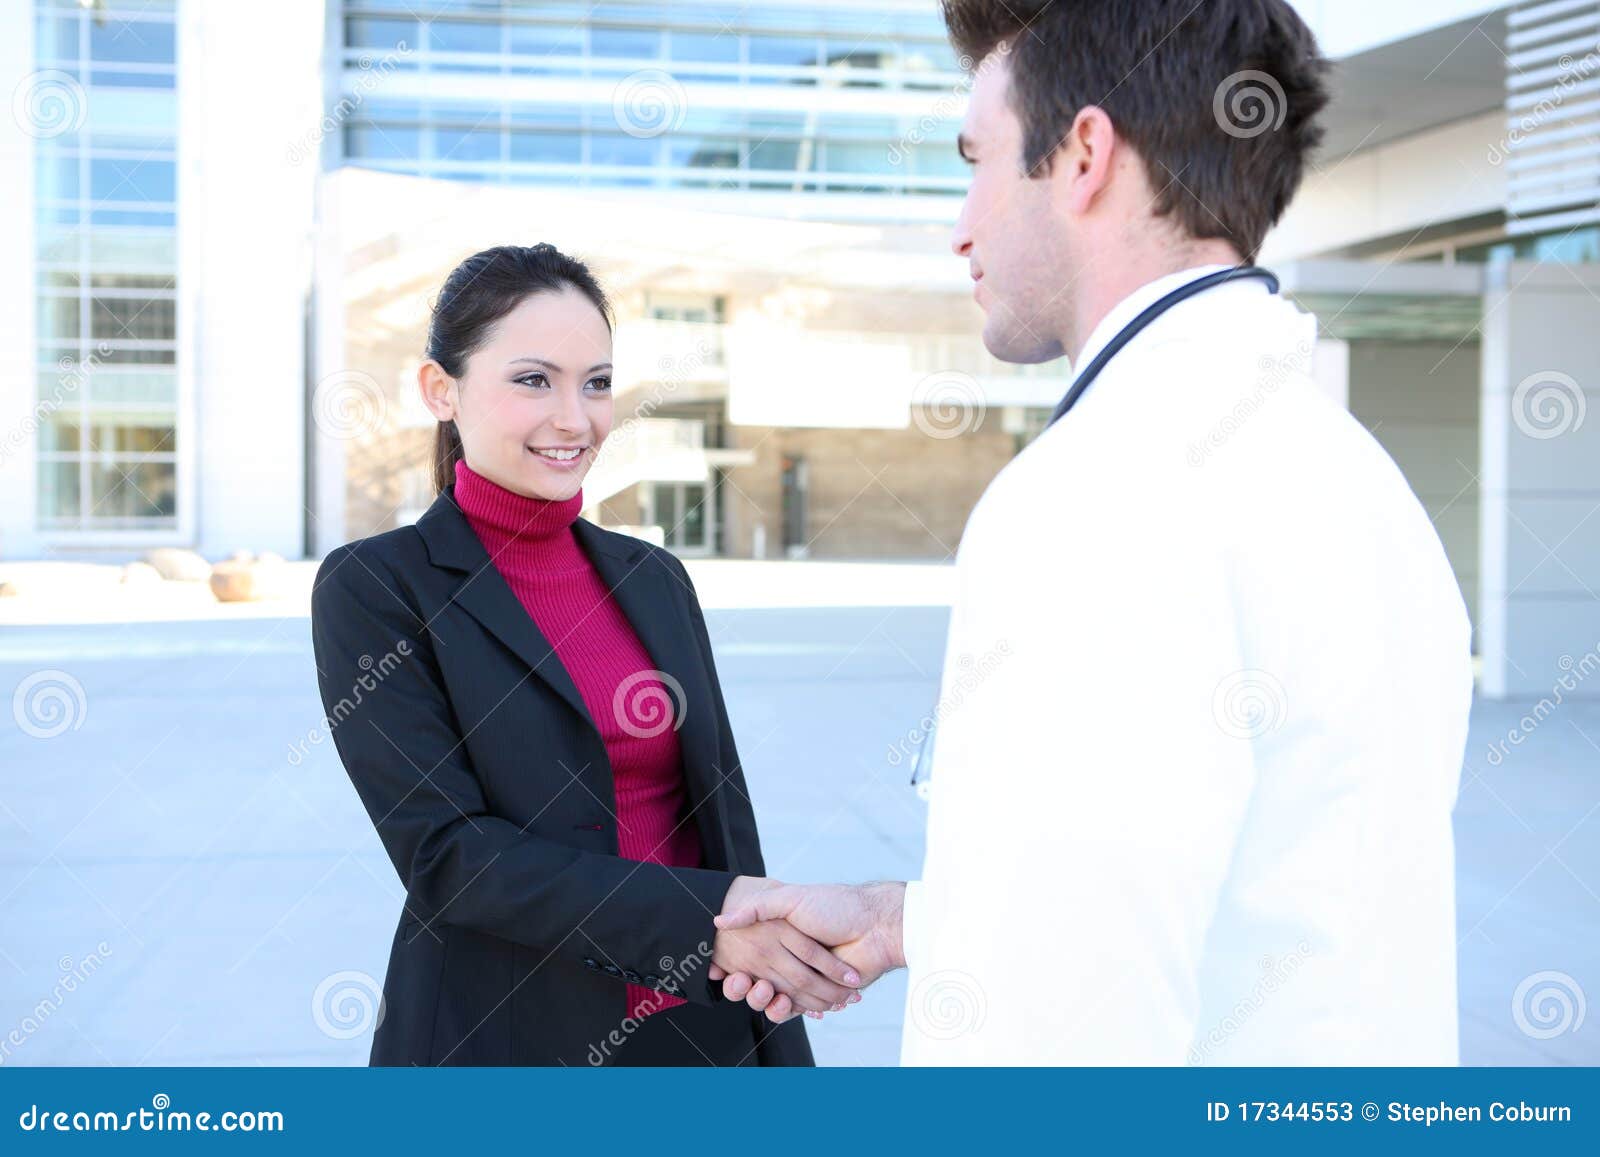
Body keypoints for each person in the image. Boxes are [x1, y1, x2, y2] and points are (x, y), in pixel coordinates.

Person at [712, 0, 1475, 1065]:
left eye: (977, 160)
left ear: (1081, 155)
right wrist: (915, 920)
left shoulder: (1098, 491)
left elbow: (1059, 1032)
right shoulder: (1355, 474)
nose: (959, 224)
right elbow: (1254, 896)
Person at [309, 244, 861, 1066]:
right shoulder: (378, 587)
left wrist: (774, 994)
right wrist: (707, 923)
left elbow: (721, 824)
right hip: (508, 1038)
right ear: (440, 390)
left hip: (705, 1022)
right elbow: (450, 858)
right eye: (534, 379)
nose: (576, 417)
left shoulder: (653, 578)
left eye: (596, 381)